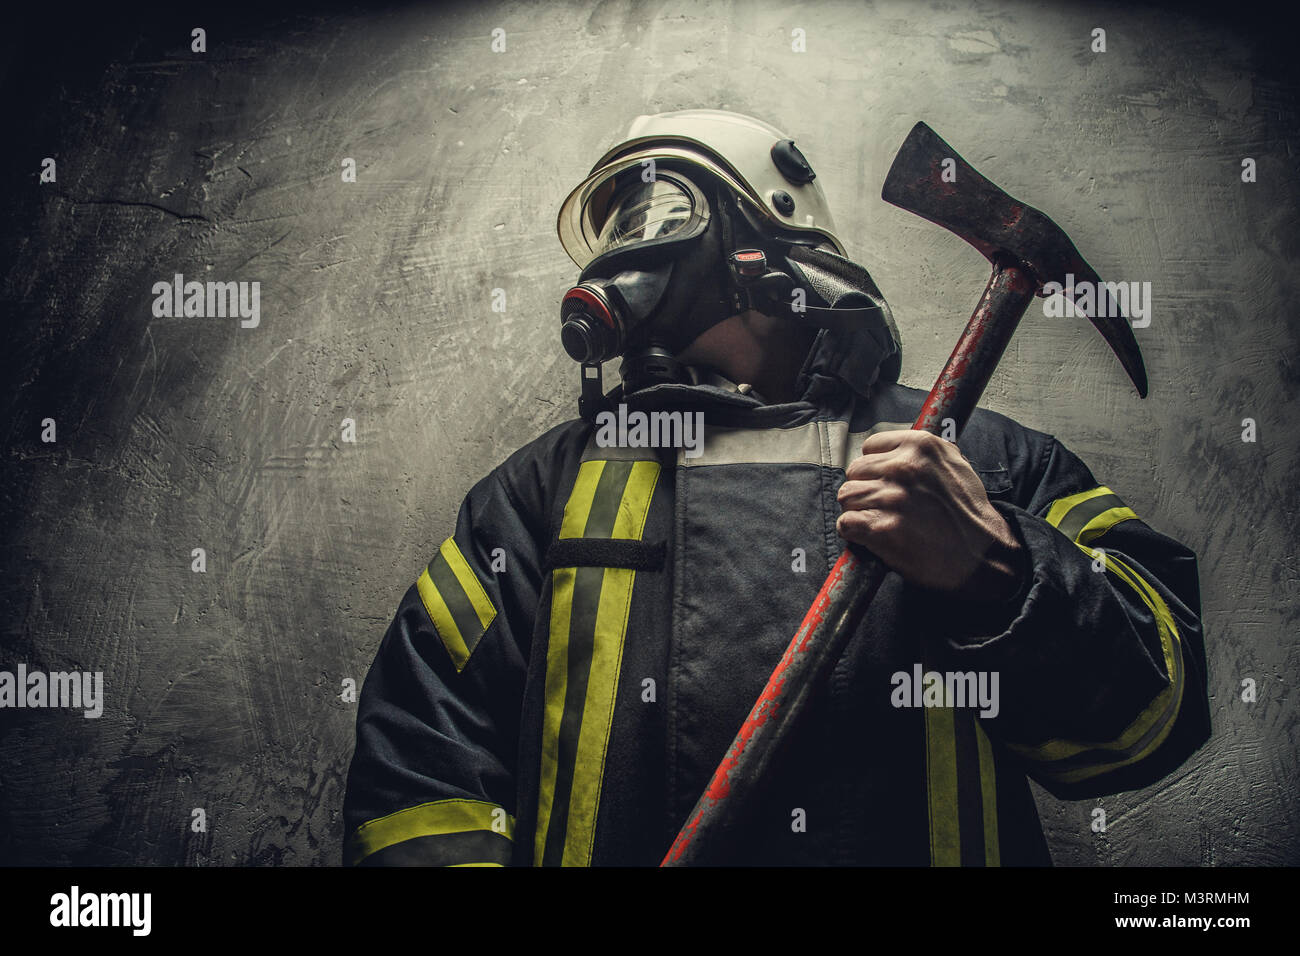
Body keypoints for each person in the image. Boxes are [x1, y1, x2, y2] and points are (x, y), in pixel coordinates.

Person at [341, 109, 1210, 866]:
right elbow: (419, 766)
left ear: (768, 233)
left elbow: (1153, 720)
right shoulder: (540, 495)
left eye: (661, 209)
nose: (631, 250)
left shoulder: (980, 458)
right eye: (620, 225)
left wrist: (996, 569)